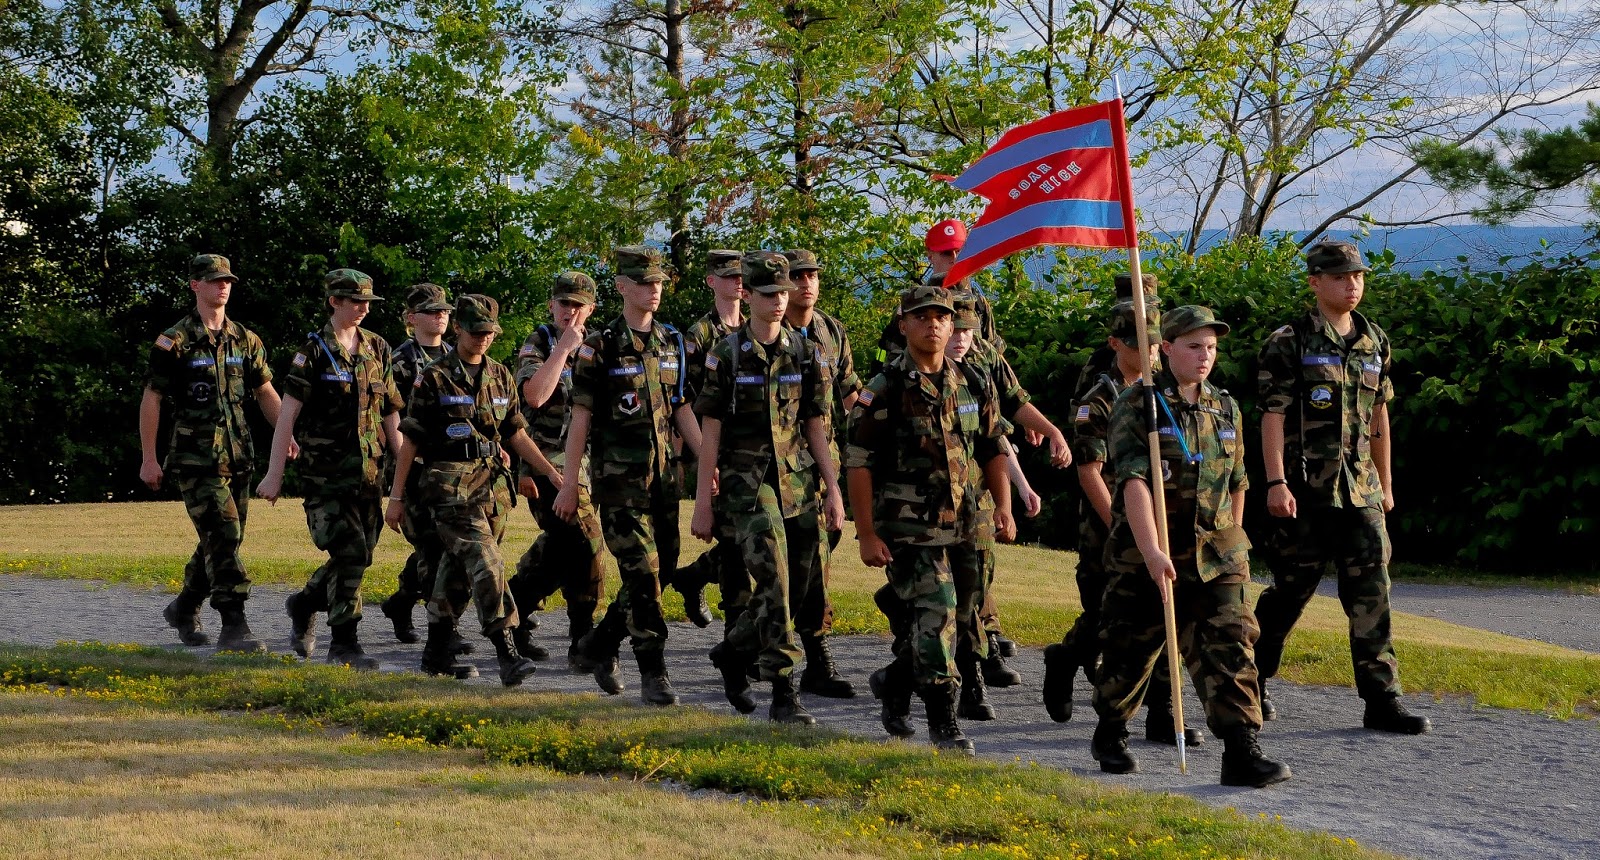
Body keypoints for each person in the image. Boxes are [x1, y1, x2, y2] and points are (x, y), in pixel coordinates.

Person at [1088, 305, 1290, 788]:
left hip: (1216, 555)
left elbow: (1238, 480)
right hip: (1147, 554)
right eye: (1195, 346)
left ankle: (1241, 749)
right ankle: (1111, 730)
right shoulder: (1138, 404)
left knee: (1231, 642)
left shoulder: (1224, 406)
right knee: (1130, 653)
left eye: (1212, 348)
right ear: (1166, 349)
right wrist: (1153, 552)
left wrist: (1234, 545)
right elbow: (1133, 483)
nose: (1205, 357)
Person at [1252, 240, 1430, 734]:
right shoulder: (1289, 341)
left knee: (1372, 590)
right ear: (1315, 282)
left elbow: (1379, 417)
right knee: (1290, 591)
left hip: (1362, 490)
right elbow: (1272, 415)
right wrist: (1275, 482)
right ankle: (1254, 678)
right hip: (1305, 490)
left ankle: (1382, 698)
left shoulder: (1374, 339)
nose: (1352, 285)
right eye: (1340, 277)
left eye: (1357, 277)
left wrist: (1386, 483)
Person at [846, 284, 1014, 754]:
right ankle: (944, 721)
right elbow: (858, 462)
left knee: (962, 617)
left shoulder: (974, 382)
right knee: (937, 614)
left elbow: (993, 445)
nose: (934, 324)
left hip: (967, 522)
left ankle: (897, 682)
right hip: (910, 527)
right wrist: (865, 533)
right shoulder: (884, 389)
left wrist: (1002, 506)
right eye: (922, 317)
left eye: (941, 316)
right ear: (904, 325)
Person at [1042, 275, 1202, 748]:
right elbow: (1089, 470)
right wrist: (1123, 523)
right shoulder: (1102, 397)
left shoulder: (1171, 395)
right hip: (1109, 526)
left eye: (1157, 345)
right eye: (1141, 345)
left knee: (1164, 611)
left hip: (1164, 524)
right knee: (1110, 618)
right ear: (1117, 344)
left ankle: (1162, 712)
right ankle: (1066, 657)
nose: (1151, 354)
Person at [695, 251, 846, 724]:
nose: (779, 301)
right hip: (747, 484)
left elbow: (816, 425)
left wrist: (834, 490)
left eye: (782, 292)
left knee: (798, 587)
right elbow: (711, 430)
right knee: (775, 582)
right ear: (749, 295)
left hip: (798, 482)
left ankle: (732, 651)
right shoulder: (726, 353)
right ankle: (784, 689)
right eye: (768, 293)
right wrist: (703, 501)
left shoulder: (806, 352)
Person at [385, 293, 565, 686]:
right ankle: (507, 651)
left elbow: (515, 432)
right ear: (459, 329)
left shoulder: (500, 375)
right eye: (477, 331)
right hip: (450, 489)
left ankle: (435, 650)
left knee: (456, 572)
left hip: (493, 489)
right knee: (487, 562)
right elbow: (410, 440)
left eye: (490, 332)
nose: (484, 339)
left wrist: (548, 472)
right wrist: (396, 498)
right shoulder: (433, 376)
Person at [557, 245, 704, 706]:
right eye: (644, 282)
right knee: (642, 577)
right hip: (619, 486)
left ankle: (599, 644)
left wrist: (706, 465)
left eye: (658, 282)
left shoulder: (672, 342)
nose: (653, 290)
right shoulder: (598, 348)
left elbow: (681, 407)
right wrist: (568, 482)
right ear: (622, 287)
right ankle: (653, 670)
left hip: (665, 484)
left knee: (661, 572)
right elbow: (580, 418)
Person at [140, 253, 290, 652]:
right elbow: (152, 397)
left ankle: (184, 606)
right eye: (213, 280)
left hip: (239, 456)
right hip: (195, 458)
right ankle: (234, 622)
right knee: (223, 533)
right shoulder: (175, 339)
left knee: (223, 538)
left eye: (227, 280)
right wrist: (149, 458)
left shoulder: (246, 339)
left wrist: (285, 434)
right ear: (195, 285)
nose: (223, 286)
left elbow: (264, 391)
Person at [257, 269, 403, 671]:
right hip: (326, 474)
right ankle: (345, 643)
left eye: (367, 303)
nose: (362, 309)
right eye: (354, 301)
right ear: (333, 302)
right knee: (350, 551)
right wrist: (274, 473)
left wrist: (408, 466)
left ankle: (304, 602)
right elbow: (288, 413)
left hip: (370, 475)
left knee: (361, 556)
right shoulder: (314, 350)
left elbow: (390, 412)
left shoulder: (378, 348)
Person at [507, 272, 607, 670]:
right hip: (547, 466)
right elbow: (534, 396)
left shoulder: (601, 344)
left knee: (561, 549)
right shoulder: (538, 343)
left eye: (579, 305)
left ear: (591, 308)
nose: (571, 311)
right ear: (552, 305)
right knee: (585, 542)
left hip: (589, 468)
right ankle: (582, 635)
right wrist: (563, 349)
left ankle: (511, 610)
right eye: (564, 303)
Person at [780, 247, 858, 699]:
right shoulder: (772, 334)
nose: (807, 283)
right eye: (799, 276)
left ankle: (813, 654)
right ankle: (762, 643)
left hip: (821, 464)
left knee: (816, 557)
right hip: (780, 467)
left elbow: (850, 392)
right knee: (788, 563)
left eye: (813, 275)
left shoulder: (831, 331)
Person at [375, 283, 455, 646]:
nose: (440, 315)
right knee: (432, 548)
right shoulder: (398, 362)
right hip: (413, 467)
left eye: (445, 310)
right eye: (431, 310)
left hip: (451, 468)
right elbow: (386, 415)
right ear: (411, 318)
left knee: (446, 546)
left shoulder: (456, 356)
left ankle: (402, 601)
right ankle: (444, 629)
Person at [672, 249, 748, 629]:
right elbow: (683, 398)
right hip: (712, 447)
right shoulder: (698, 336)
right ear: (711, 282)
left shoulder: (754, 328)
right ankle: (736, 628)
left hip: (750, 452)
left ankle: (696, 575)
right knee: (735, 540)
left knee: (743, 540)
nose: (738, 281)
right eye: (729, 275)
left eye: (741, 275)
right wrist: (701, 458)